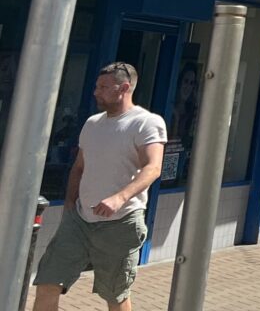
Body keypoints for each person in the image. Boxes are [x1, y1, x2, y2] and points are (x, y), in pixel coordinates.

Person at [32, 62, 166, 311]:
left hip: (121, 222)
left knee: (115, 294)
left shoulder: (146, 122)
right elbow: (79, 167)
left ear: (124, 88)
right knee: (48, 281)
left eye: (103, 87)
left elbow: (153, 168)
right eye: (97, 86)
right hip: (79, 220)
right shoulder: (93, 123)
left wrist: (119, 198)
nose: (96, 91)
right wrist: (70, 203)